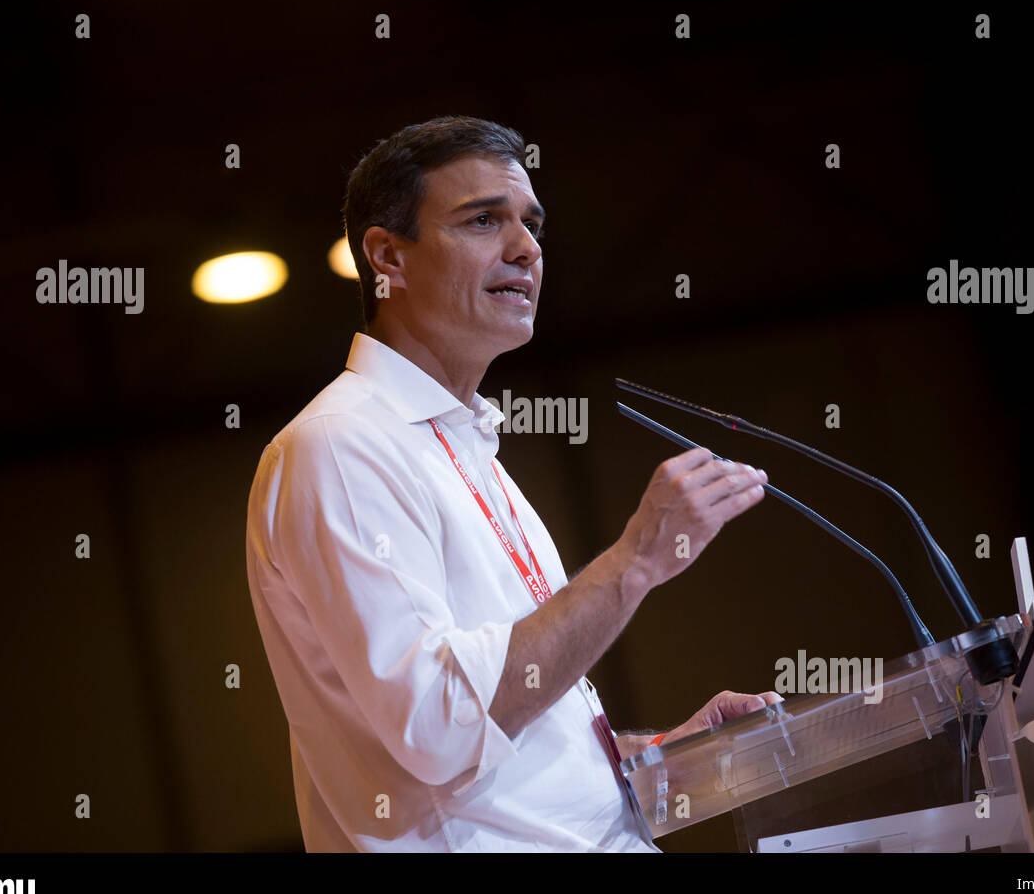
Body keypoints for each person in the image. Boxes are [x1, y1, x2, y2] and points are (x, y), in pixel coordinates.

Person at [245, 116, 778, 852]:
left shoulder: (468, 449)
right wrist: (634, 562)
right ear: (387, 255)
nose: (525, 248)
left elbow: (513, 742)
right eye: (484, 220)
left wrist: (668, 759)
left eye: (531, 224)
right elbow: (436, 725)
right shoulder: (339, 444)